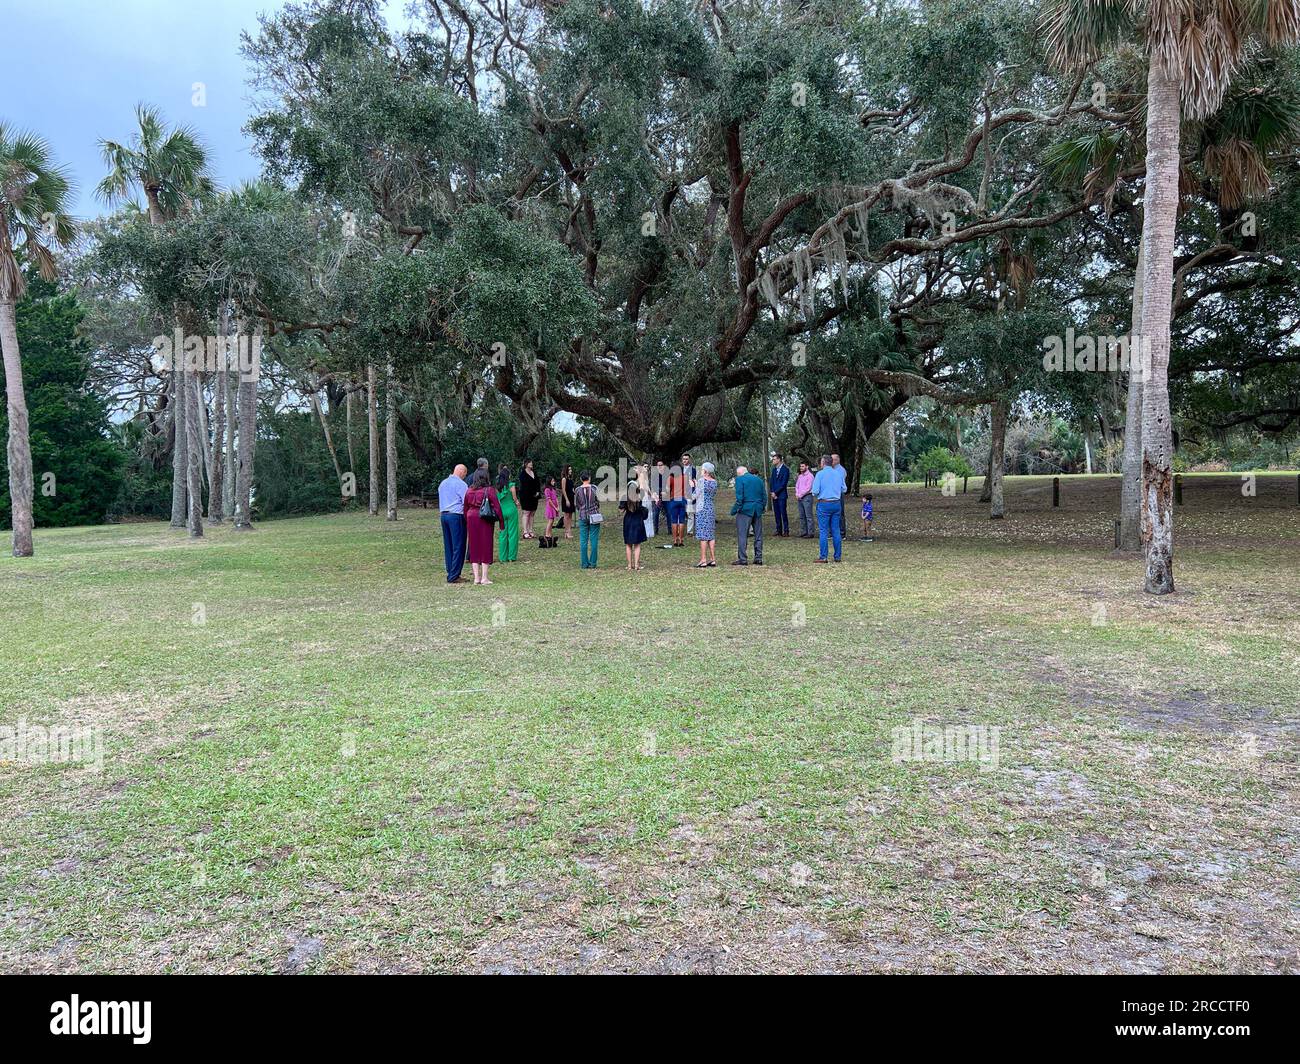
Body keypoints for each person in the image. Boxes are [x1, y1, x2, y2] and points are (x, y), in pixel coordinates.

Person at [464, 470, 504, 584]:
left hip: (471, 517)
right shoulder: (489, 490)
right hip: (484, 518)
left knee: (474, 546)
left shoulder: (469, 490)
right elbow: (497, 507)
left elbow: (465, 508)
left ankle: (476, 578)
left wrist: (467, 520)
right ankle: (484, 577)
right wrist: (501, 523)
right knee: (486, 545)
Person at [437, 463, 468, 583]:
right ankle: (454, 575)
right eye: (465, 474)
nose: (465, 476)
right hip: (456, 516)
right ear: (461, 472)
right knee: (458, 545)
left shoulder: (443, 483)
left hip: (444, 515)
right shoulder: (461, 484)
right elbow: (466, 501)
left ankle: (451, 570)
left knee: (448, 545)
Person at [729, 464, 766, 566]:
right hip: (757, 509)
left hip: (746, 509)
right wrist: (762, 507)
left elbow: (740, 498)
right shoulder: (758, 480)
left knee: (742, 535)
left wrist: (734, 510)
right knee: (758, 535)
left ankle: (743, 558)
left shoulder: (740, 480)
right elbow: (764, 496)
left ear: (740, 473)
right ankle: (758, 558)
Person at [812, 454, 844, 563]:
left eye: (821, 462)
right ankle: (837, 556)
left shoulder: (820, 474)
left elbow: (815, 491)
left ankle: (823, 556)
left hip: (824, 503)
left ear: (824, 463)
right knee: (836, 530)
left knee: (823, 530)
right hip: (836, 503)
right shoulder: (838, 474)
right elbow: (844, 488)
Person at [575, 470, 602, 569]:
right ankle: (593, 563)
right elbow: (598, 501)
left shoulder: (577, 490)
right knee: (594, 539)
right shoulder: (594, 488)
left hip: (582, 516)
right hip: (594, 515)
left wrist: (582, 509)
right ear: (589, 478)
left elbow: (577, 504)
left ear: (581, 479)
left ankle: (584, 563)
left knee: (583, 540)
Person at [693, 461, 718, 568]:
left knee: (703, 536)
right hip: (710, 508)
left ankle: (703, 559)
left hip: (702, 509)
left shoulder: (701, 481)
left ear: (706, 471)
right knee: (711, 535)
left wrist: (693, 486)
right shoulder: (714, 482)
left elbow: (695, 496)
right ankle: (713, 559)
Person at [621, 480, 649, 571]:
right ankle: (637, 565)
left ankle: (629, 565)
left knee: (628, 544)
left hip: (628, 521)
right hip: (638, 521)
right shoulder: (639, 496)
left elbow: (621, 510)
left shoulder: (624, 497)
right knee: (637, 544)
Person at [496, 465, 520, 562]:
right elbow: (514, 499)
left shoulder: (498, 487)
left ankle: (502, 557)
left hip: (502, 510)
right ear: (508, 476)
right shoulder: (511, 485)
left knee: (502, 533)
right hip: (511, 509)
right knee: (513, 533)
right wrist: (517, 503)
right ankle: (512, 557)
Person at [665, 461, 688, 547]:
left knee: (674, 520)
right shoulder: (684, 477)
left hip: (673, 499)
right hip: (682, 499)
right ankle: (681, 540)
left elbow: (667, 490)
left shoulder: (670, 478)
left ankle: (675, 540)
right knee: (681, 520)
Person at [769, 453, 790, 537]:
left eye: (774, 459)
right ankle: (778, 529)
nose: (773, 461)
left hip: (781, 495)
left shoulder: (785, 470)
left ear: (779, 460)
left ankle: (786, 530)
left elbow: (783, 483)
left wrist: (776, 492)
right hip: (774, 495)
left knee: (783, 513)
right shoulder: (774, 470)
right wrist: (772, 492)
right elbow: (772, 482)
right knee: (776, 513)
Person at [518, 459, 540, 539]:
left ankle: (531, 531)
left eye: (531, 463)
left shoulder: (534, 472)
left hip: (535, 496)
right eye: (530, 463)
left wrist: (537, 491)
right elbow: (524, 486)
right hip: (526, 496)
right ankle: (525, 532)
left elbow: (538, 482)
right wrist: (532, 492)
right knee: (526, 513)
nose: (531, 464)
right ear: (526, 464)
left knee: (532, 513)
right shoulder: (522, 474)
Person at [635, 463, 656, 541]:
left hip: (647, 496)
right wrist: (651, 495)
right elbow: (644, 487)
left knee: (649, 513)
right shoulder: (641, 476)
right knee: (645, 513)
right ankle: (645, 531)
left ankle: (649, 532)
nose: (646, 468)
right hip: (644, 496)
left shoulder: (645, 476)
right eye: (645, 467)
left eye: (647, 467)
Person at [794, 461, 815, 538]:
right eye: (800, 466)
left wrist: (800, 494)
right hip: (799, 498)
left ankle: (810, 532)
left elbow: (808, 488)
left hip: (807, 497)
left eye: (803, 466)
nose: (801, 468)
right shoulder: (800, 476)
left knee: (808, 515)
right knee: (801, 515)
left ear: (807, 466)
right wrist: (797, 493)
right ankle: (803, 531)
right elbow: (797, 485)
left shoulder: (810, 476)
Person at [651, 459, 671, 539]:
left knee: (669, 513)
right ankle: (655, 530)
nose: (659, 466)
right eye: (658, 465)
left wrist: (666, 492)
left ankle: (670, 530)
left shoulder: (667, 474)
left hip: (666, 496)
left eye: (661, 465)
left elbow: (670, 485)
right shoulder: (654, 475)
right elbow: (653, 487)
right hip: (657, 496)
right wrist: (656, 496)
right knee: (656, 513)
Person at [831, 453, 849, 536]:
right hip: (832, 494)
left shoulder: (841, 470)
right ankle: (832, 532)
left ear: (837, 460)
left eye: (833, 459)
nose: (831, 461)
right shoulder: (832, 469)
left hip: (838, 494)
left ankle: (842, 533)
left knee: (840, 513)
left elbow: (840, 484)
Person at [681, 452, 698, 534]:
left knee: (690, 512)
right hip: (680, 493)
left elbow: (694, 482)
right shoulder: (679, 469)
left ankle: (690, 531)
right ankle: (679, 530)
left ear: (689, 460)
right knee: (680, 511)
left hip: (689, 493)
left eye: (686, 459)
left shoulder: (693, 470)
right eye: (684, 459)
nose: (685, 460)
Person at [542, 476, 560, 546]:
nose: (554, 482)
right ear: (549, 481)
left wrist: (558, 506)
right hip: (550, 507)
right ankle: (547, 534)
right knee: (550, 520)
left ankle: (550, 534)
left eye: (554, 481)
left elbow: (556, 498)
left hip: (555, 505)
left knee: (552, 521)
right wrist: (555, 508)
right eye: (552, 481)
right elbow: (549, 500)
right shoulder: (547, 489)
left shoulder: (553, 489)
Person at [559, 464, 576, 540]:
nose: (571, 471)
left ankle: (569, 530)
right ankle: (566, 532)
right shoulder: (564, 479)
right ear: (566, 470)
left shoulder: (570, 479)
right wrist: (567, 500)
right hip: (566, 498)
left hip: (572, 498)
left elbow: (572, 489)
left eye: (571, 469)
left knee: (570, 515)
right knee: (566, 515)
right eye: (569, 469)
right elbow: (563, 490)